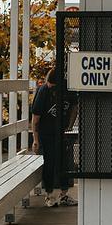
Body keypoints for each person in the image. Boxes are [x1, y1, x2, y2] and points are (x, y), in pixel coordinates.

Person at [30, 67, 76, 207]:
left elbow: (75, 106)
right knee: (49, 163)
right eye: (48, 83)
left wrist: (70, 123)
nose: (50, 86)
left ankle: (64, 194)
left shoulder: (68, 90)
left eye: (52, 84)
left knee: (65, 163)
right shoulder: (43, 91)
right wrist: (36, 139)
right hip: (46, 132)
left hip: (62, 132)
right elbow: (35, 118)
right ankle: (49, 195)